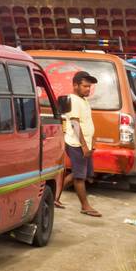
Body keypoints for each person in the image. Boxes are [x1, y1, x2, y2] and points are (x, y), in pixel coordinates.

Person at [55, 70, 100, 217]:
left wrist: (92, 139)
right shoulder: (73, 100)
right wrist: (84, 146)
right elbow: (74, 123)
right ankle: (85, 206)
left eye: (89, 87)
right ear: (75, 85)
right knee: (80, 177)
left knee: (78, 173)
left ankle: (55, 197)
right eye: (85, 86)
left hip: (84, 143)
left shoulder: (84, 100)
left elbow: (86, 121)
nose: (88, 89)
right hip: (76, 144)